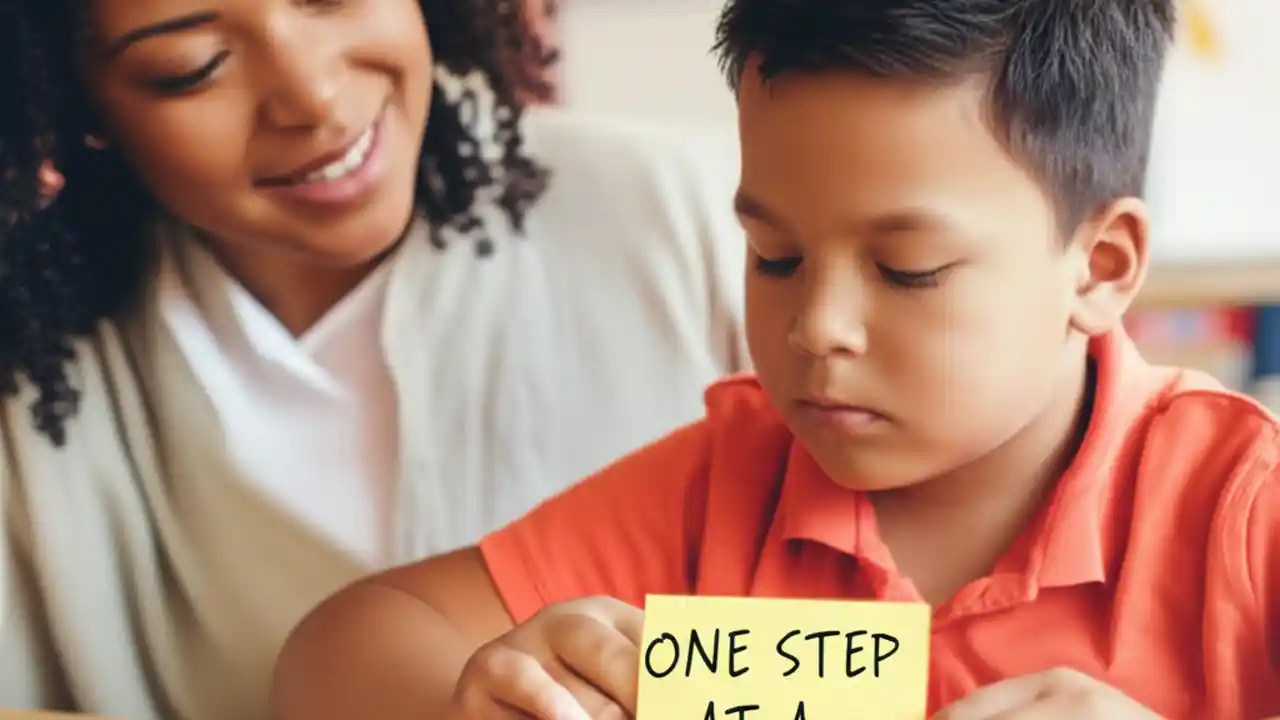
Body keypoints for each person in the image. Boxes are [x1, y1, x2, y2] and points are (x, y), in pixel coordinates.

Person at [273, 0, 1280, 718]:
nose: (815, 328)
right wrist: (490, 692)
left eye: (906, 268)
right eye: (776, 257)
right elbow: (343, 652)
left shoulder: (1242, 507)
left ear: (1098, 267)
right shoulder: (724, 489)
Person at [0, 0, 746, 718]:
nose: (314, 99)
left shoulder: (723, 224)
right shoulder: (34, 384)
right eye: (193, 67)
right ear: (77, 100)